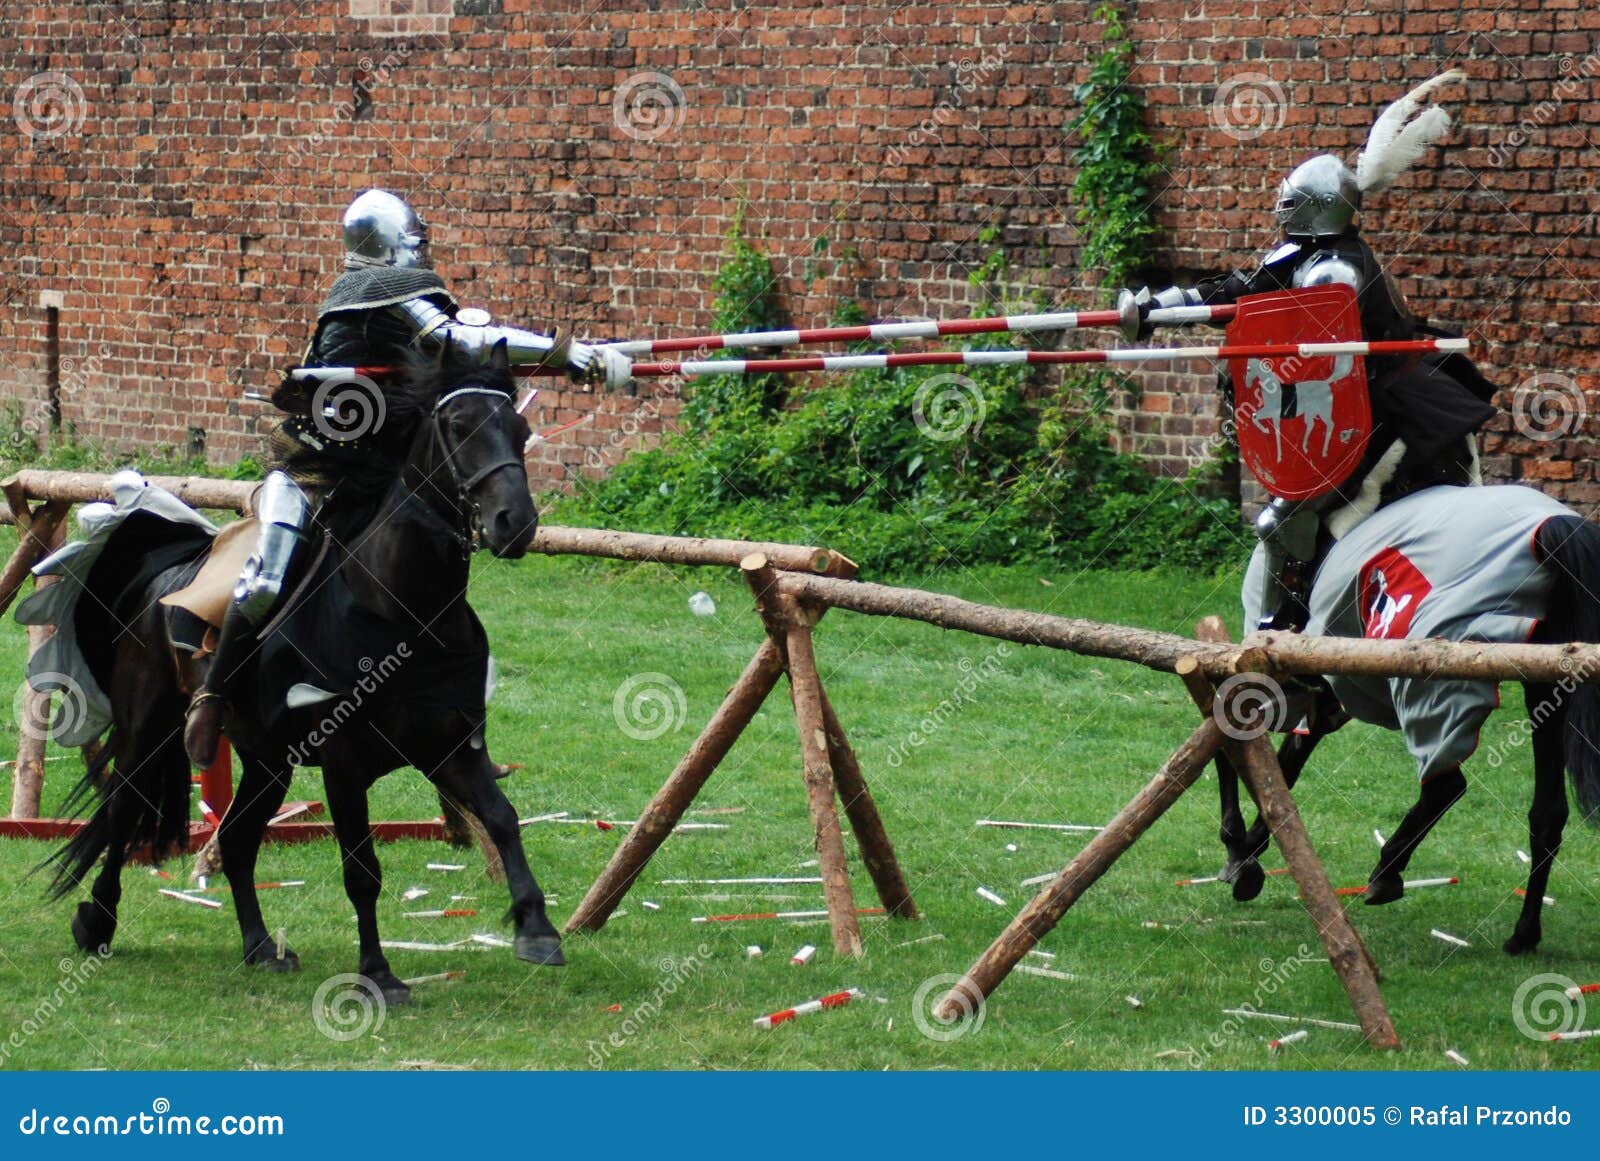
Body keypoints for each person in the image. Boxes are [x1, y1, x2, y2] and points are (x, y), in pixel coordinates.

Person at [182, 189, 632, 767]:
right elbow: (458, 339)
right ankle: (214, 696)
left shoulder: (412, 297)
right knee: (267, 576)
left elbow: (471, 351)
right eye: (411, 239)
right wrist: (573, 354)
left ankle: (451, 730)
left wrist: (578, 361)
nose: (419, 250)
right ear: (383, 245)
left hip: (384, 468)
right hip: (313, 465)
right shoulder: (372, 291)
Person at [1119, 71, 1495, 632]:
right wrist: (1158, 307)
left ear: (1317, 206)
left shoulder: (1337, 271)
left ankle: (1281, 627)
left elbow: (1306, 334)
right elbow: (1238, 290)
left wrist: (1224, 320)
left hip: (1382, 408)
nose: (1281, 208)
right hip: (1358, 395)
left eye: (1291, 201)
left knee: (1286, 516)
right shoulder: (1301, 255)